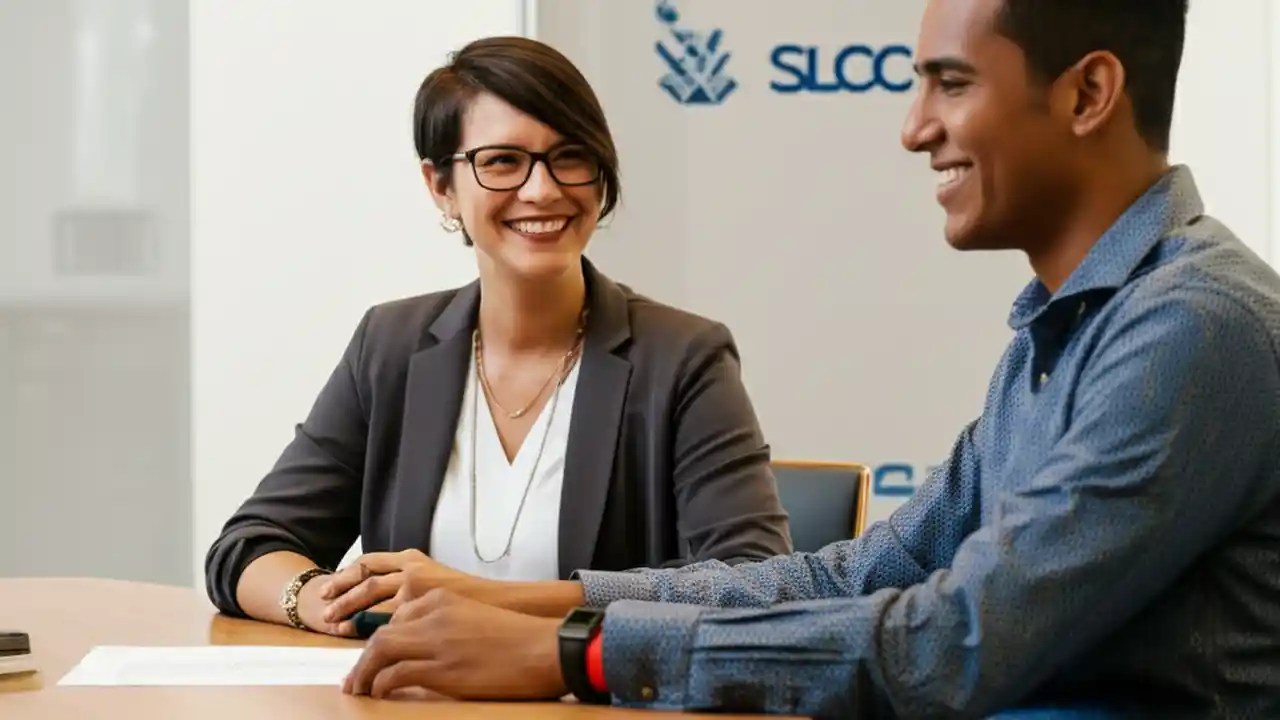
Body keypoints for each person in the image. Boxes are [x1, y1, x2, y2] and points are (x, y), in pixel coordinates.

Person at [340, 0, 1280, 716]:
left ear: (1087, 94)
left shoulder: (1192, 328)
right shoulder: (1066, 326)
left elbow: (952, 643)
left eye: (951, 84)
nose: (914, 127)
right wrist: (538, 607)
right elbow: (856, 575)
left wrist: (575, 651)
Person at [203, 36, 792, 638]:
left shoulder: (682, 357)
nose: (542, 190)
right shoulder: (392, 345)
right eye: (503, 161)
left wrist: (482, 600)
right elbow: (248, 548)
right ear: (440, 186)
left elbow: (756, 584)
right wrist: (329, 604)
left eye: (570, 156)